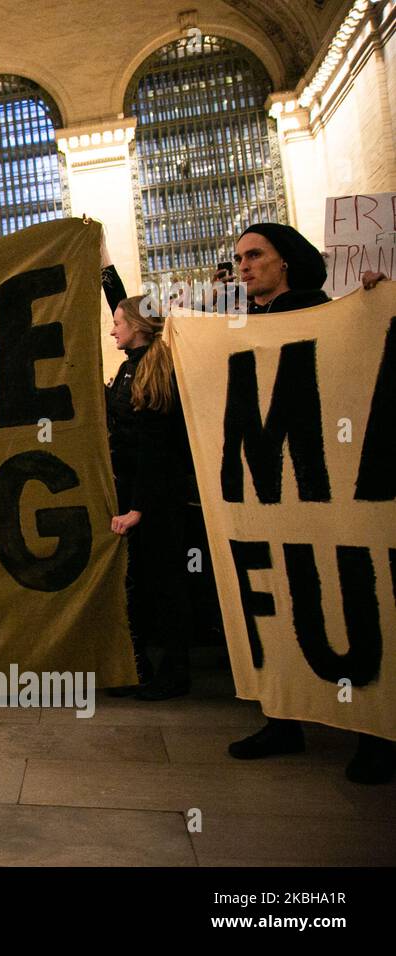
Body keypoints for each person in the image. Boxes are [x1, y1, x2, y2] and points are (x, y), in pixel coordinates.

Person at [218, 224, 394, 785]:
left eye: (255, 255)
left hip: (329, 485)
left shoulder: (323, 312)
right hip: (271, 493)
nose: (244, 266)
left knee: (353, 598)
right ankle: (283, 717)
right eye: (239, 258)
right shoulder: (242, 328)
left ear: (286, 261)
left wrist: (378, 301)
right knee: (279, 600)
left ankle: (377, 732)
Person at [104, 295, 195, 700]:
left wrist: (139, 507)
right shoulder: (129, 368)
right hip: (138, 493)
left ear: (138, 326)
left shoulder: (156, 371)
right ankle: (141, 668)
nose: (112, 330)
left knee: (164, 585)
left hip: (157, 499)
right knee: (141, 583)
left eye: (118, 323)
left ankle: (173, 673)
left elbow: (154, 448)